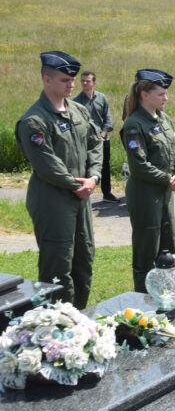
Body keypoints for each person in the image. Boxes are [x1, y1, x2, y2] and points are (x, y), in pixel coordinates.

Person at [15, 51, 102, 308]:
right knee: (58, 268)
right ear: (47, 79)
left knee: (84, 262)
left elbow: (95, 144)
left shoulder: (78, 111)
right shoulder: (34, 120)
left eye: (72, 79)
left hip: (82, 197)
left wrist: (93, 177)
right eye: (65, 80)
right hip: (53, 200)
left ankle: (80, 320)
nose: (71, 84)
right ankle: (55, 324)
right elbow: (47, 165)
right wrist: (78, 185)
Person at [121, 70, 175, 293]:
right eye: (161, 94)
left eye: (165, 93)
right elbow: (139, 165)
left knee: (168, 248)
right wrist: (168, 179)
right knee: (147, 251)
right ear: (145, 95)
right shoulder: (134, 125)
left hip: (165, 193)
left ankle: (167, 294)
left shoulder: (165, 119)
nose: (166, 98)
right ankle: (143, 297)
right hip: (145, 195)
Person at [73, 71, 117, 202]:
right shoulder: (76, 102)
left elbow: (108, 119)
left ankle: (107, 193)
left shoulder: (102, 98)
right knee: (86, 167)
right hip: (87, 141)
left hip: (103, 138)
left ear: (94, 82)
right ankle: (85, 193)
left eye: (87, 81)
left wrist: (102, 135)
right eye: (82, 80)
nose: (84, 83)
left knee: (105, 166)